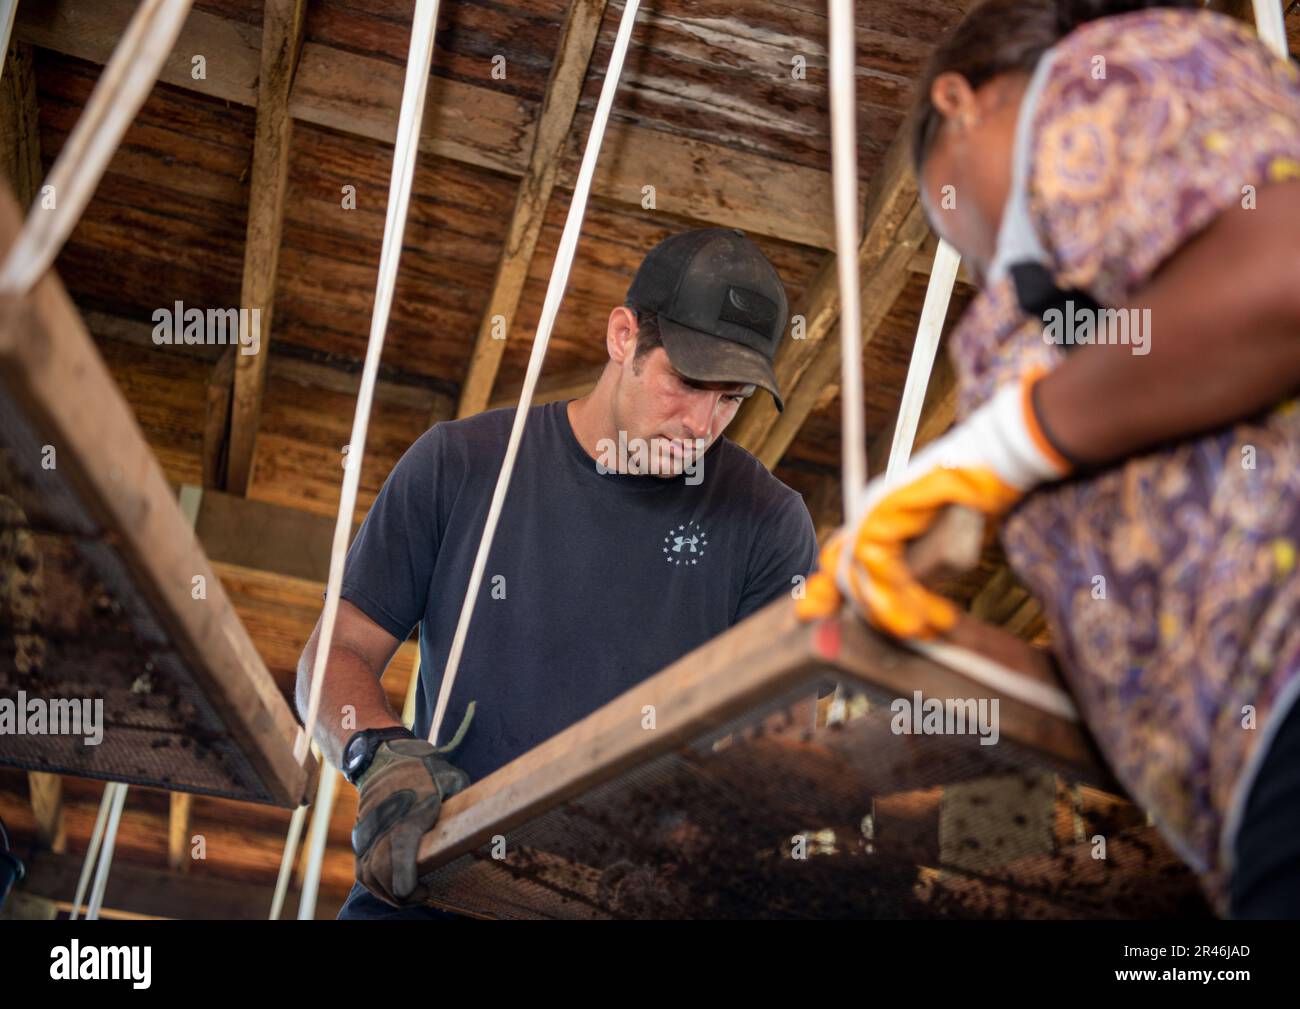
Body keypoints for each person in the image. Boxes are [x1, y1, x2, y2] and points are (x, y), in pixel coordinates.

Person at [800, 0, 1300, 917]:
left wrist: (1004, 443)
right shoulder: (1065, 328)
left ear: (964, 103)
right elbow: (1133, 696)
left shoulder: (1108, 73)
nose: (980, 262)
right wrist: (911, 677)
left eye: (947, 207)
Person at [296, 227, 818, 918]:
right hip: (436, 886)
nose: (702, 422)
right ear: (623, 336)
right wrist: (377, 755)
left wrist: (718, 848)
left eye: (731, 399)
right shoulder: (461, 465)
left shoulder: (768, 525)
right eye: (688, 382)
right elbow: (333, 653)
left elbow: (780, 748)